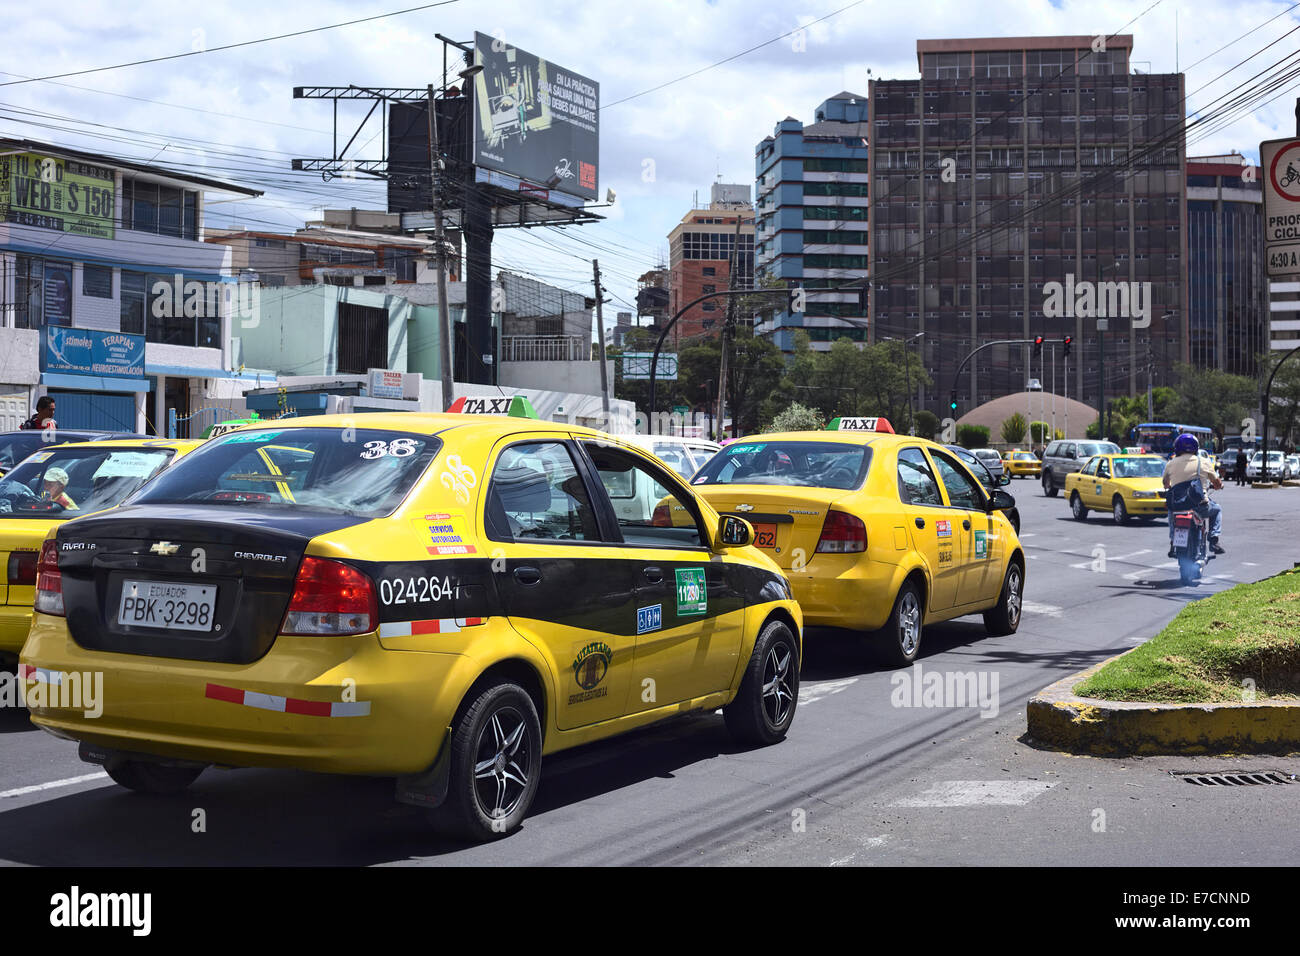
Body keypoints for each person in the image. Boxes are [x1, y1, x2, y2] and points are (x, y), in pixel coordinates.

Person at [1163, 433, 1223, 557]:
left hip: (1178, 506)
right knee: (1217, 510)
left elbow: (1165, 484)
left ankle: (1173, 540)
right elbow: (1217, 483)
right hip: (1200, 505)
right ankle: (1213, 540)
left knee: (1171, 511)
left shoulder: (1170, 463)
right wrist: (1218, 486)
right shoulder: (1204, 462)